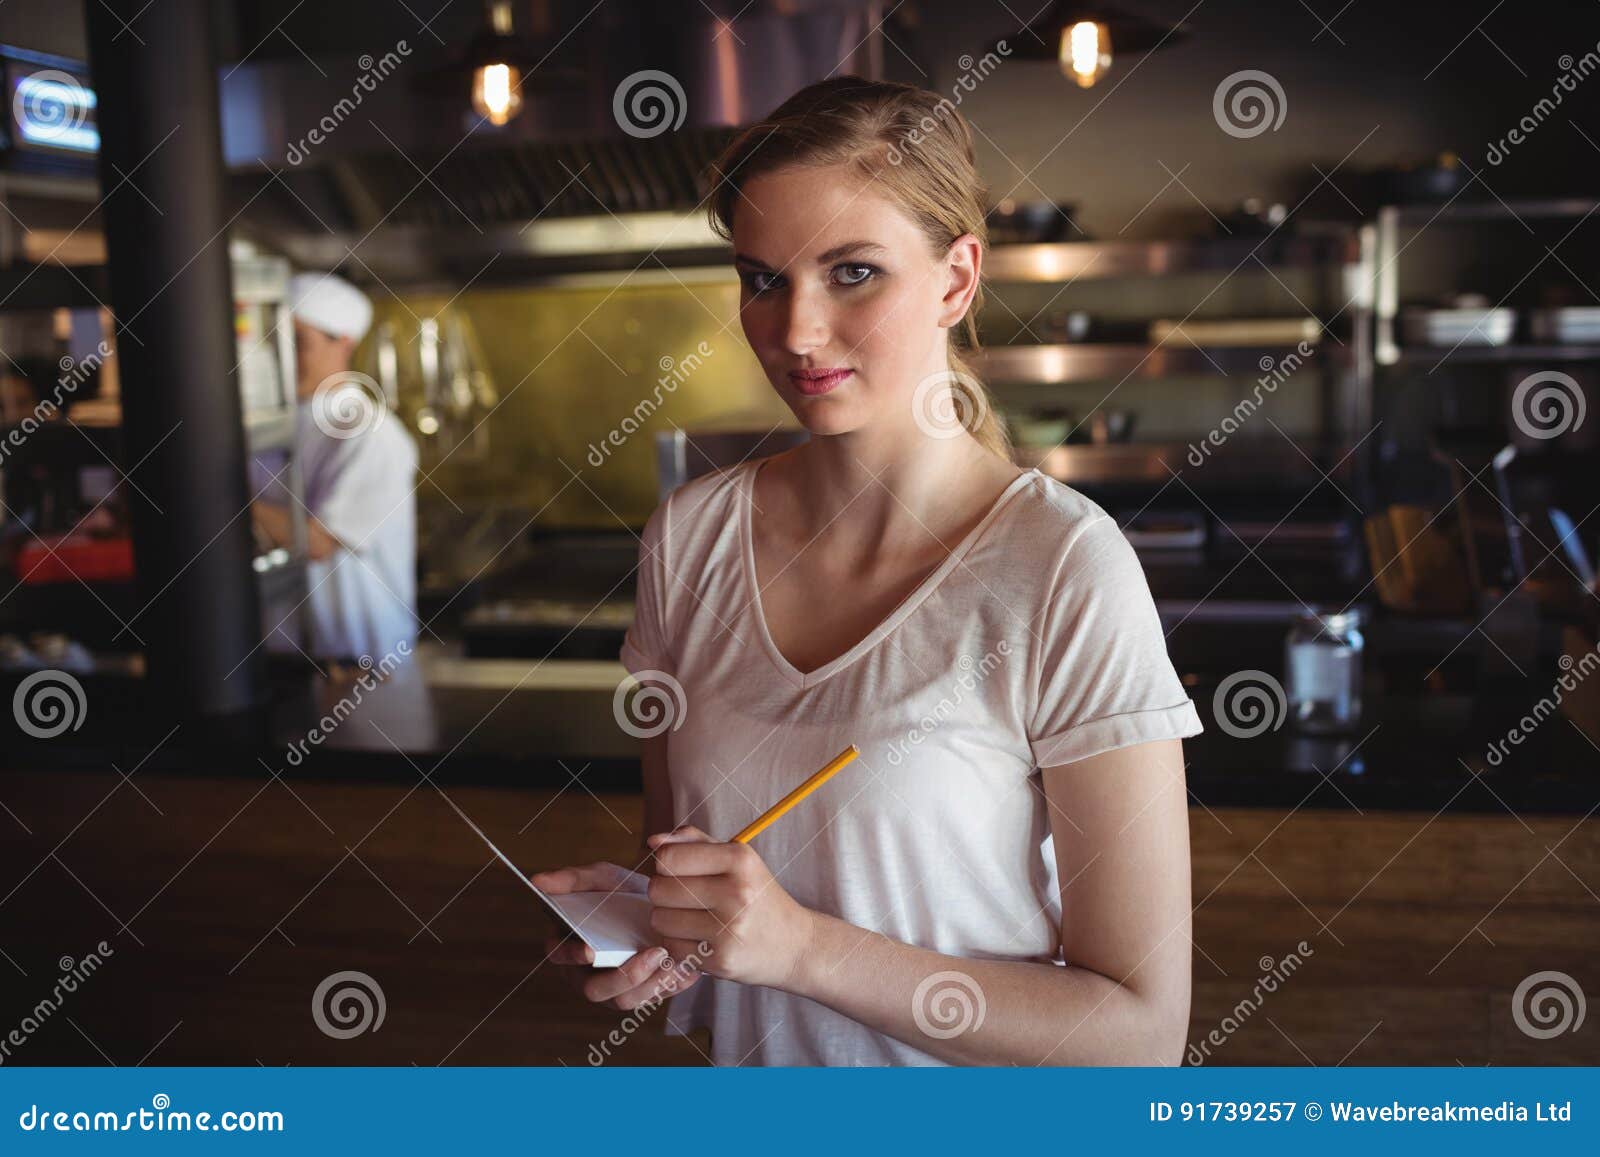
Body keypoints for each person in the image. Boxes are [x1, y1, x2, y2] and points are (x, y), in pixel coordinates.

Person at [532, 77, 1202, 1067]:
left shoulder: (1062, 566)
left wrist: (802, 949)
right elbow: (695, 853)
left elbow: (1138, 1033)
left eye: (851, 272)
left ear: (956, 279)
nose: (794, 331)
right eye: (761, 278)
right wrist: (654, 920)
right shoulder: (691, 538)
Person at [252, 272, 418, 663]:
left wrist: (219, 500)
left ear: (344, 343)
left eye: (299, 341)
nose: (282, 357)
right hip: (281, 657)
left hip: (361, 662)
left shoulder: (367, 431)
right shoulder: (267, 425)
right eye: (274, 341)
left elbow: (316, 543)